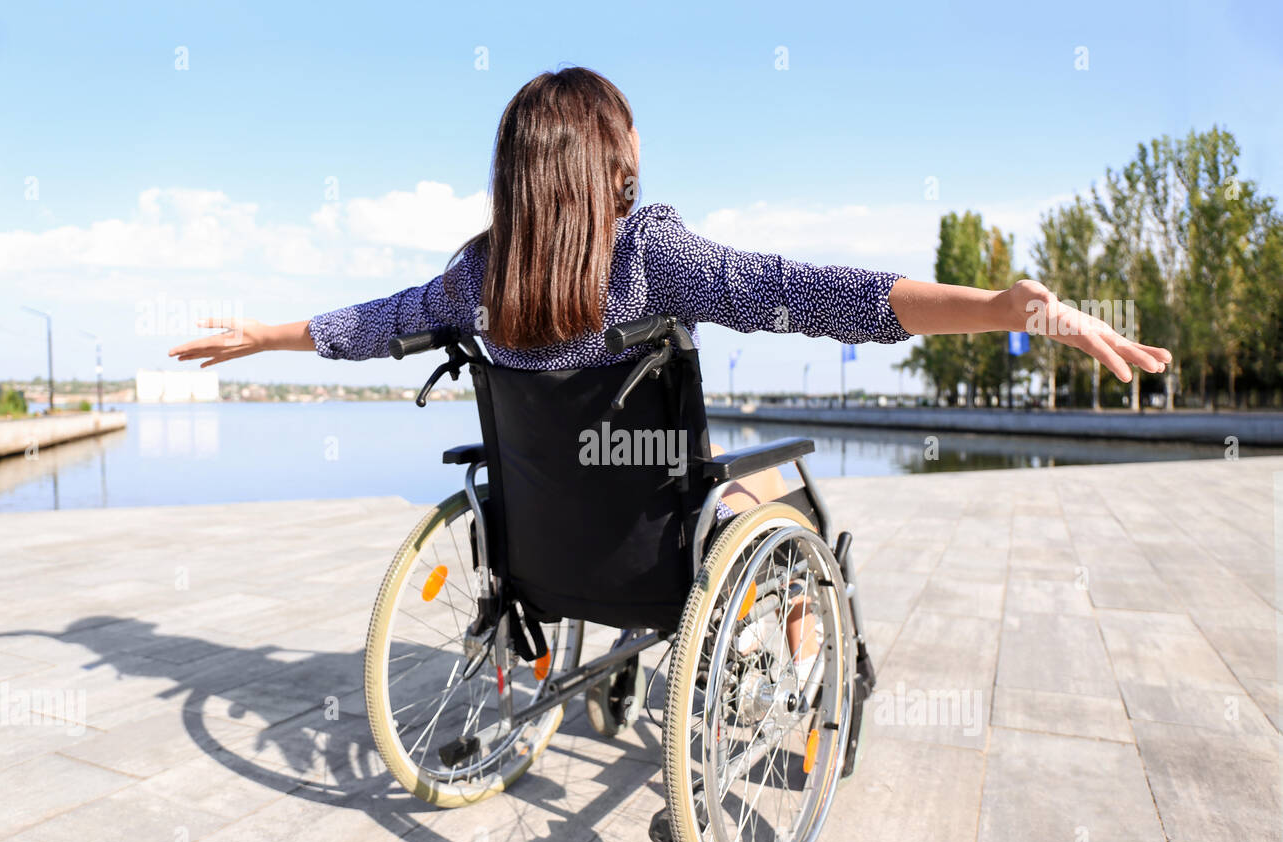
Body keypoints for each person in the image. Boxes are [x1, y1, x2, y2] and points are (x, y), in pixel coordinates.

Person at [169, 65, 1170, 752]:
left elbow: (375, 322)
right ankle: (795, 671)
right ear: (609, 156)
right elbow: (816, 292)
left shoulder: (476, 278)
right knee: (777, 483)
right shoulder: (650, 256)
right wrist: (995, 310)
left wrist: (263, 333)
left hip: (540, 556)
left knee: (696, 475)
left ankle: (628, 648)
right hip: (660, 556)